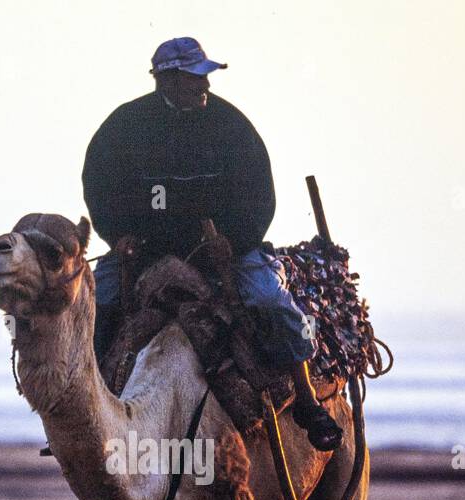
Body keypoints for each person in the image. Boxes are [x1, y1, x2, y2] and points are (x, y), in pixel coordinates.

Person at [81, 36, 343, 451]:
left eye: (205, 78)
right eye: (195, 79)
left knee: (270, 300)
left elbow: (260, 193)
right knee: (96, 303)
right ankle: (91, 410)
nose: (205, 87)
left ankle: (307, 399)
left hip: (225, 250)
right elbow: (98, 185)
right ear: (167, 81)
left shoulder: (230, 126)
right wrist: (119, 234)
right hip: (146, 249)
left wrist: (236, 241)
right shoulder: (124, 127)